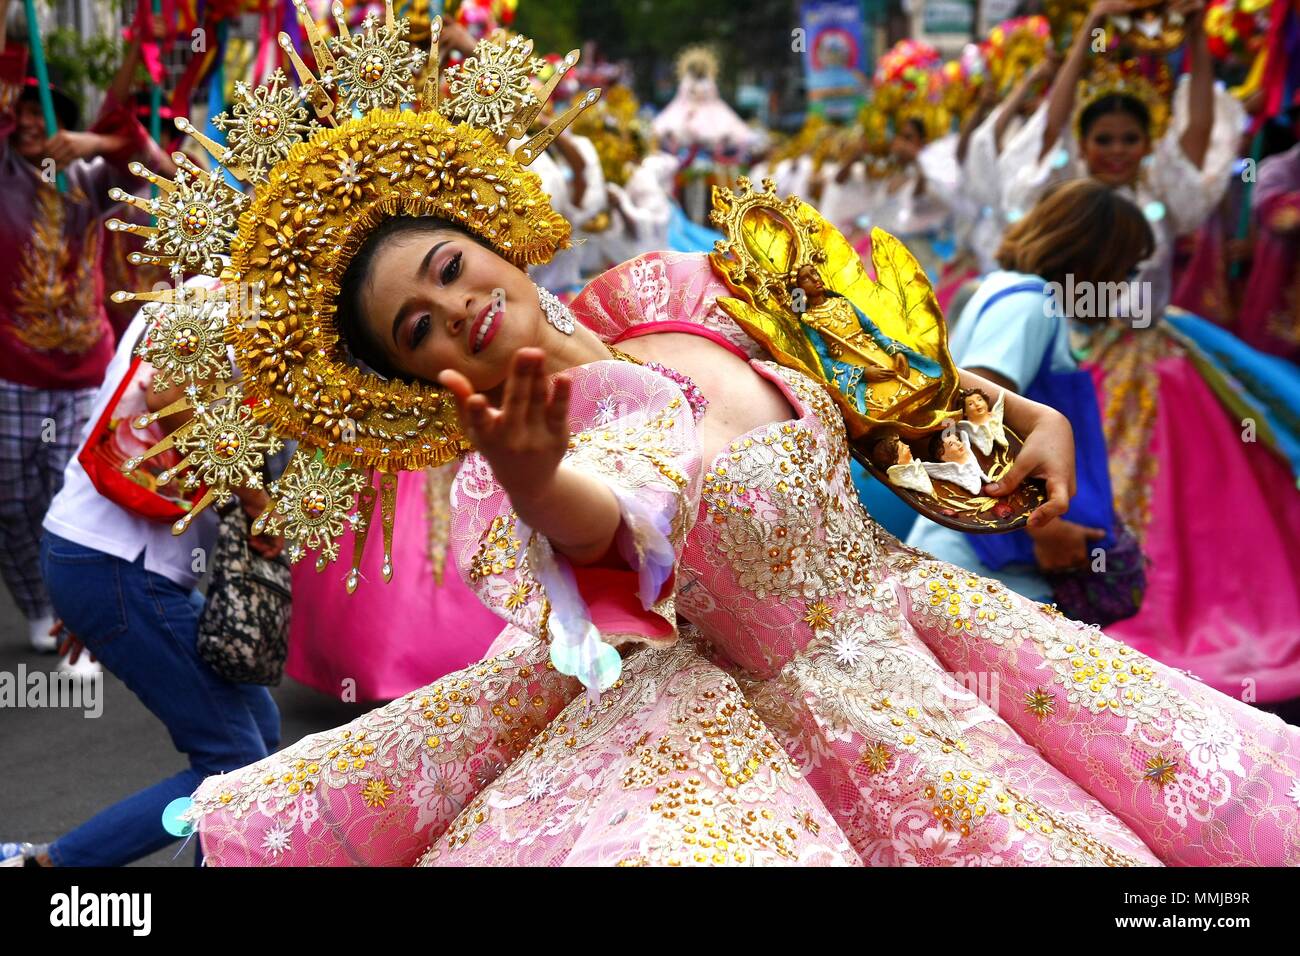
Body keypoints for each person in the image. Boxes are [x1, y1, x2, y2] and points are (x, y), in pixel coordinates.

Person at [119, 14, 1300, 867]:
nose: (456, 307)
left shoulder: (683, 286)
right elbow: (616, 517)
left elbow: (876, 392)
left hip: (932, 646)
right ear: (420, 378)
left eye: (446, 267)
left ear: (487, 237)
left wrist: (1011, 417)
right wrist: (536, 480)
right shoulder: (548, 445)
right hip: (797, 735)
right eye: (416, 328)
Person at [998, 0, 1300, 702]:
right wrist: (1084, 37)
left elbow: (1195, 134)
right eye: (1102, 136)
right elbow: (1044, 136)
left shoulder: (1165, 187)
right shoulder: (1066, 194)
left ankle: (1179, 603)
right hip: (1081, 365)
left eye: (1130, 137)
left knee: (1205, 500)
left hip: (1159, 359)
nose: (1116, 148)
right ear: (1085, 142)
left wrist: (1195, 31)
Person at [1, 284, 283, 866]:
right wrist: (258, 501)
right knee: (231, 764)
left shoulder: (201, 297)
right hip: (117, 566)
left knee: (255, 731)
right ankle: (50, 865)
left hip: (103, 563)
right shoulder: (221, 302)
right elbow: (164, 389)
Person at [0, 3, 171, 656]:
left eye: (41, 119)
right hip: (15, 373)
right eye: (17, 118)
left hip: (86, 370)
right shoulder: (5, 174)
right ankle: (38, 602)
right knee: (15, 503)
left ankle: (82, 606)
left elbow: (140, 148)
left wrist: (94, 144)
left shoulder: (88, 178)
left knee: (85, 503)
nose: (27, 129)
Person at [908, 178, 1153, 602]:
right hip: (982, 567)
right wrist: (1044, 527)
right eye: (1127, 270)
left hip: (979, 559)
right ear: (1096, 259)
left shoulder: (1007, 292)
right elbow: (973, 418)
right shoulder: (1031, 306)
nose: (1126, 287)